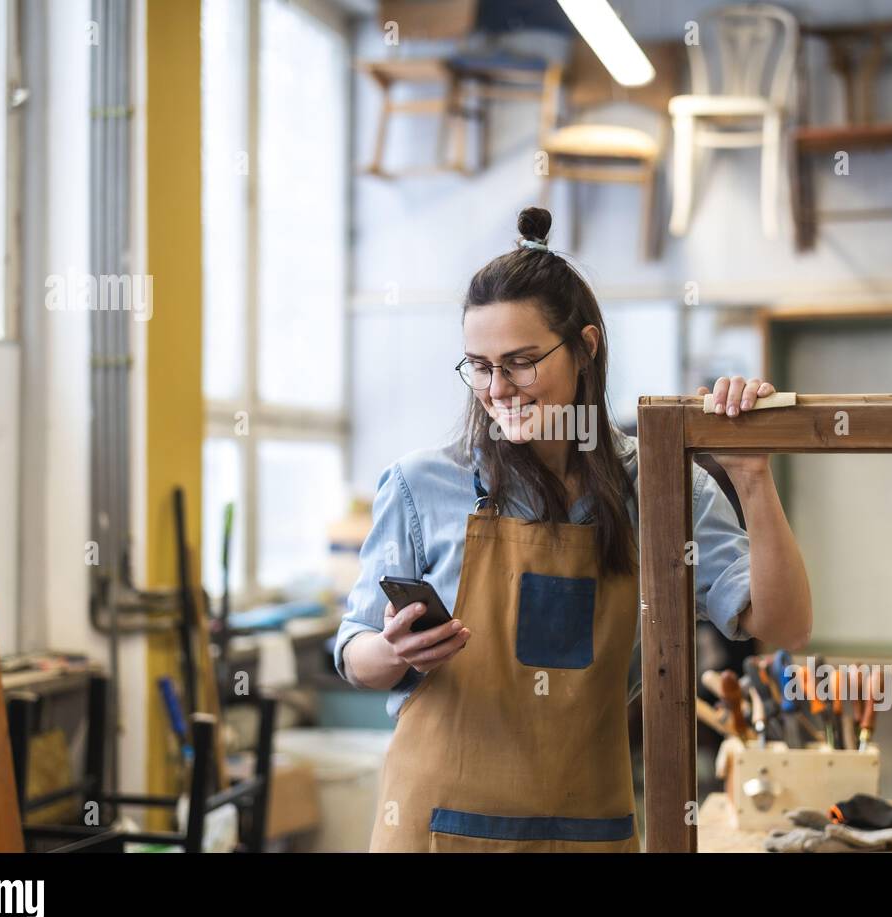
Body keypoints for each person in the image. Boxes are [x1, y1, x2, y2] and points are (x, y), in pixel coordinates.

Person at [334, 206, 811, 852]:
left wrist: (752, 476)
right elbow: (355, 650)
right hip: (436, 827)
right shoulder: (422, 485)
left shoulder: (661, 487)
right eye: (478, 365)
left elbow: (782, 626)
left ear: (586, 346)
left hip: (587, 831)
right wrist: (393, 652)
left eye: (521, 361)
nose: (497, 388)